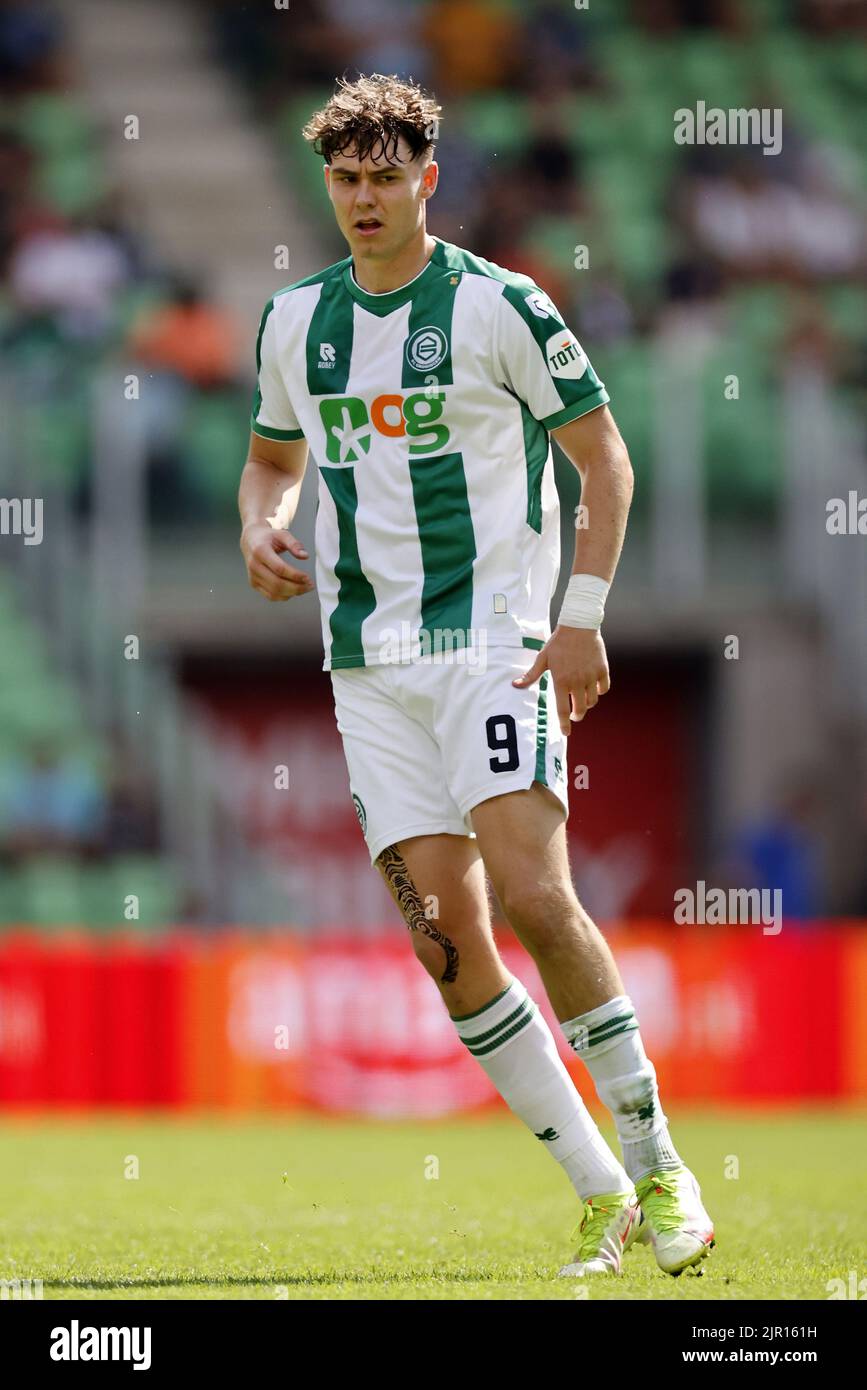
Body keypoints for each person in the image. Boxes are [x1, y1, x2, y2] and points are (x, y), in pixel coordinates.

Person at [238, 73, 714, 1278]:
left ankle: (663, 1165)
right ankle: (601, 1189)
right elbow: (269, 462)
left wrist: (583, 616)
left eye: (385, 177)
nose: (363, 198)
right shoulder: (295, 320)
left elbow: (604, 465)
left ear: (427, 179)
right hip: (367, 667)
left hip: (492, 642)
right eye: (345, 179)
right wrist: (262, 525)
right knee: (448, 947)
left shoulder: (502, 304)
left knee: (536, 895)